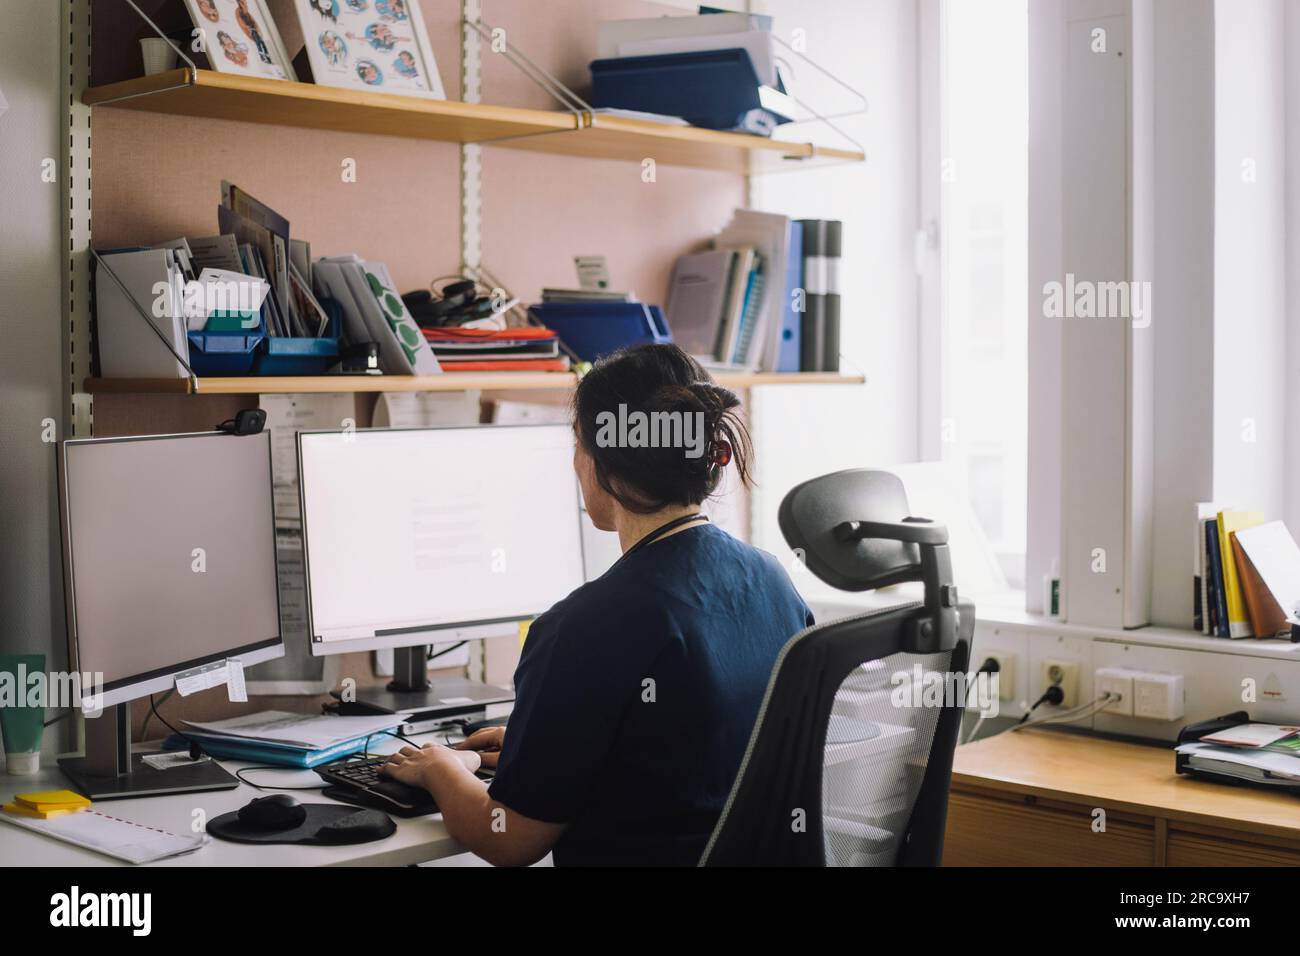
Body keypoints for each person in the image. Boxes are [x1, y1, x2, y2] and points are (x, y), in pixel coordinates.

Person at [381, 344, 814, 866]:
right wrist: (542, 739)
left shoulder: (583, 627)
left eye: (578, 443)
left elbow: (509, 839)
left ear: (602, 463)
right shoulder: (773, 580)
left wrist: (439, 767)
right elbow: (690, 736)